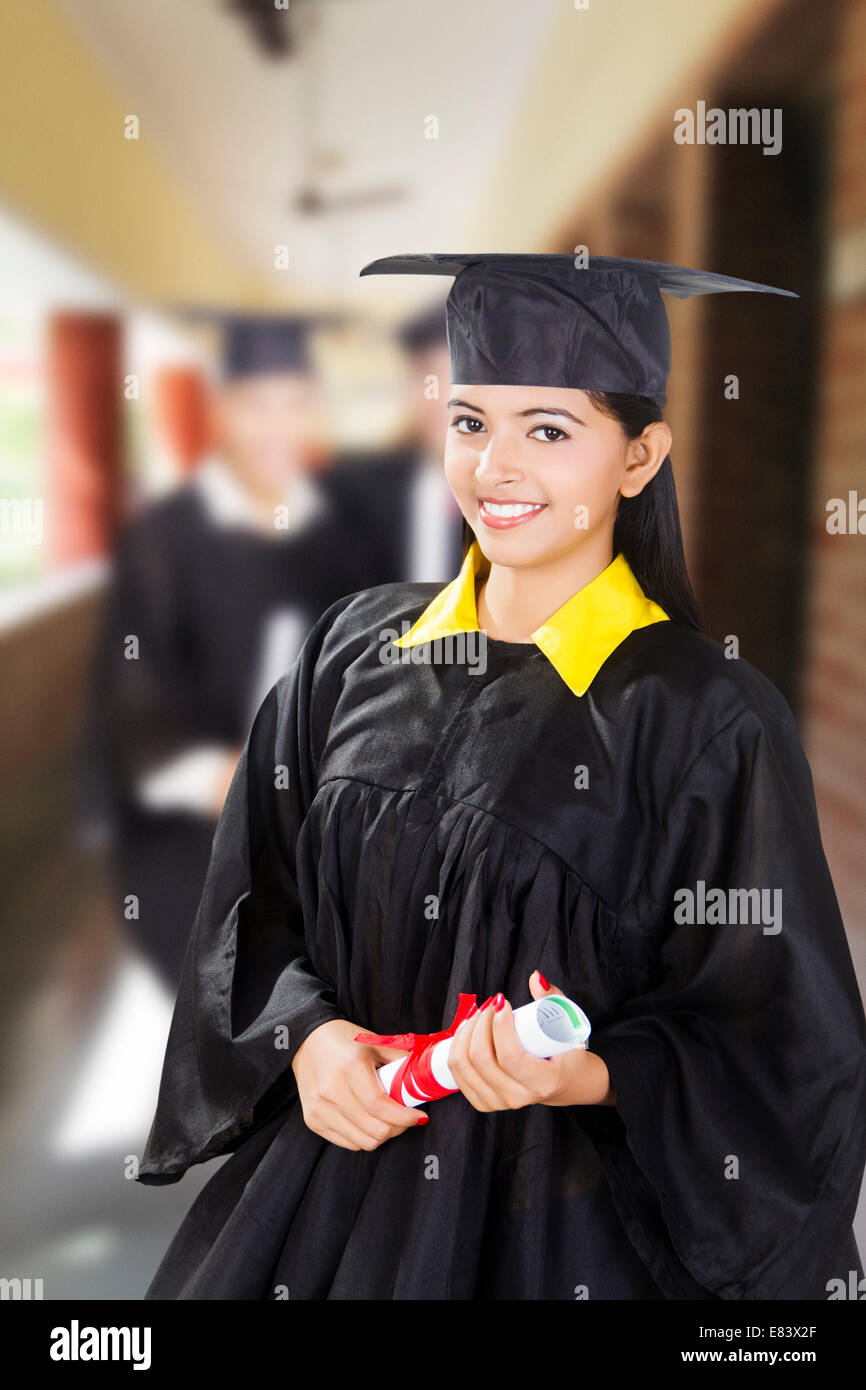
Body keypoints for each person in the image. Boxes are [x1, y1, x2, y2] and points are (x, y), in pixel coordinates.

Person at [136, 253, 866, 1300]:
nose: (495, 466)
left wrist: (589, 1072)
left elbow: (779, 1037)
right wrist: (307, 1038)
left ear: (638, 455)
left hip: (550, 1227)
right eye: (470, 421)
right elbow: (252, 899)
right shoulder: (354, 647)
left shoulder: (701, 717)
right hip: (321, 1192)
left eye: (549, 429)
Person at [81, 314, 377, 990]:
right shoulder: (166, 541)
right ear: (220, 411)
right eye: (256, 404)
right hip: (190, 843)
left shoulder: (343, 534)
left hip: (323, 837)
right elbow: (135, 715)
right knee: (231, 1017)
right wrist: (245, 783)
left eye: (295, 403)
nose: (277, 426)